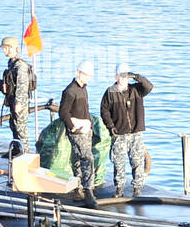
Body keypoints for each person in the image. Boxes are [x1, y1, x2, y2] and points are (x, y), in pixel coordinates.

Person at [99, 63, 153, 198]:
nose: (123, 79)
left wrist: (136, 76)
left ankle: (137, 188)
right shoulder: (110, 92)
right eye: (120, 76)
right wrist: (111, 126)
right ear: (116, 76)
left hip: (135, 132)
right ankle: (119, 189)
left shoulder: (136, 90)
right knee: (118, 162)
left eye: (125, 76)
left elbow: (149, 86)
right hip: (119, 133)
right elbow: (104, 111)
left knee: (137, 161)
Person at [58, 61, 96, 205]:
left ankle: (78, 188)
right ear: (78, 73)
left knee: (79, 158)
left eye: (89, 76)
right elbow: (63, 112)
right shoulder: (70, 91)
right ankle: (88, 191)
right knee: (87, 158)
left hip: (86, 129)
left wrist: (90, 124)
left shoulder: (83, 89)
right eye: (85, 75)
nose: (87, 78)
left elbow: (85, 109)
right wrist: (72, 126)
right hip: (76, 130)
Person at [0, 36, 34, 158]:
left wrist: (19, 103)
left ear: (12, 48)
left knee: (20, 127)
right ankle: (17, 149)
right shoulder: (12, 63)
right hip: (12, 99)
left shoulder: (20, 66)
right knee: (13, 124)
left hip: (20, 101)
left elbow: (22, 86)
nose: (4, 51)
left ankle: (25, 154)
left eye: (5, 48)